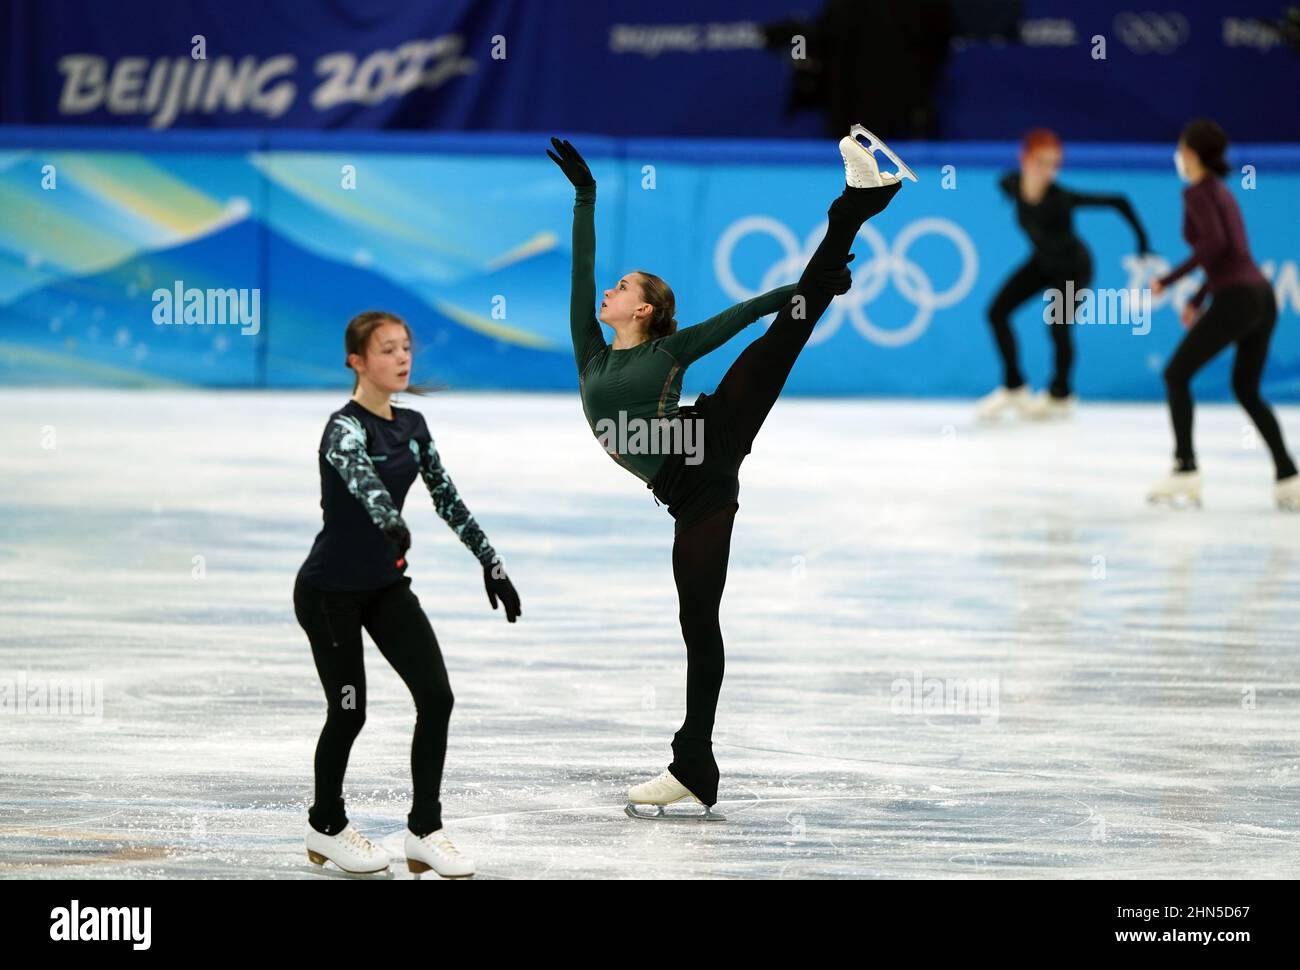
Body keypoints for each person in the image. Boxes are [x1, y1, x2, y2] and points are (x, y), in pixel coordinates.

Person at [548, 127, 908, 818]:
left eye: (622, 288)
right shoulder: (591, 354)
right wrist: (586, 196)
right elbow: (577, 271)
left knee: (786, 334)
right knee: (698, 620)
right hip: (688, 488)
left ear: (644, 309)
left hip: (708, 444)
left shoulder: (672, 349)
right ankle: (696, 767)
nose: (609, 290)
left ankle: (854, 206)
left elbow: (741, 316)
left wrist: (805, 289)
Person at [295, 310, 521, 876]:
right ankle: (326, 824)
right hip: (329, 593)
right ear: (357, 362)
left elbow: (447, 498)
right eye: (387, 350)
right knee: (348, 712)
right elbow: (363, 483)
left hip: (384, 588)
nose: (401, 359)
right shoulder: (342, 429)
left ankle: (424, 829)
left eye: (405, 349)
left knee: (437, 698)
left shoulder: (413, 425)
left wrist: (489, 560)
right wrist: (390, 523)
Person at [1147, 119, 1299, 510]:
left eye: (1181, 148)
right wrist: (1197, 299)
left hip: (1238, 298)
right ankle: (1288, 476)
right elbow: (1226, 254)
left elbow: (1215, 246)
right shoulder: (1219, 192)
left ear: (1192, 154)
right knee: (1246, 390)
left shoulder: (1198, 193)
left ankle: (1186, 469)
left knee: (1175, 375)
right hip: (1260, 297)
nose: (1178, 155)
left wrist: (1169, 279)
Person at [977, 128, 1151, 420]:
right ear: (1025, 159)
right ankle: (1014, 386)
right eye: (1041, 161)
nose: (1048, 170)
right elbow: (1005, 184)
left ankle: (1061, 394)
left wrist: (1142, 244)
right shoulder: (1010, 183)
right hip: (1042, 263)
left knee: (1058, 327)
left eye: (1054, 163)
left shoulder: (1061, 198)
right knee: (996, 313)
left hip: (1074, 268)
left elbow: (1118, 200)